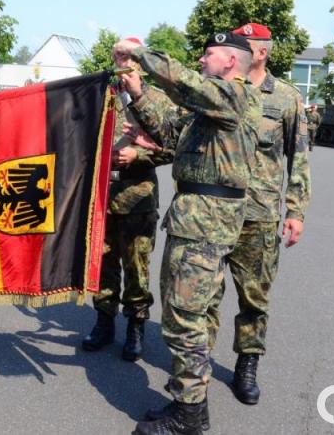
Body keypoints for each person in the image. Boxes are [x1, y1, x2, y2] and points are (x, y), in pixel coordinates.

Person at [115, 32, 261, 434]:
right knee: (186, 312)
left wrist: (141, 55)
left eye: (209, 53)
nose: (201, 59)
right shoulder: (211, 108)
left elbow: (185, 83)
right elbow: (169, 132)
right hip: (195, 217)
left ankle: (188, 417)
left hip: (205, 221)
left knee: (184, 316)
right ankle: (190, 403)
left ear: (231, 62)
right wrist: (138, 92)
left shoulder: (234, 95)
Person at [204, 23, 310, 406]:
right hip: (215, 212)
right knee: (207, 295)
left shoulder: (285, 98)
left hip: (259, 214)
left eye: (245, 44)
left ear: (261, 52)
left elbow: (299, 158)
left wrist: (296, 210)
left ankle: (247, 364)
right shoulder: (220, 90)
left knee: (254, 297)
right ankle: (196, 369)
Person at [81, 37, 174, 361]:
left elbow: (173, 148)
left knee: (137, 267)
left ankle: (135, 327)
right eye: (118, 54)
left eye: (130, 55)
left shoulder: (157, 100)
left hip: (138, 196)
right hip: (103, 195)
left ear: (141, 60)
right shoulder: (98, 95)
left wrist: (138, 155)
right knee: (103, 264)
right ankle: (103, 321)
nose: (123, 60)